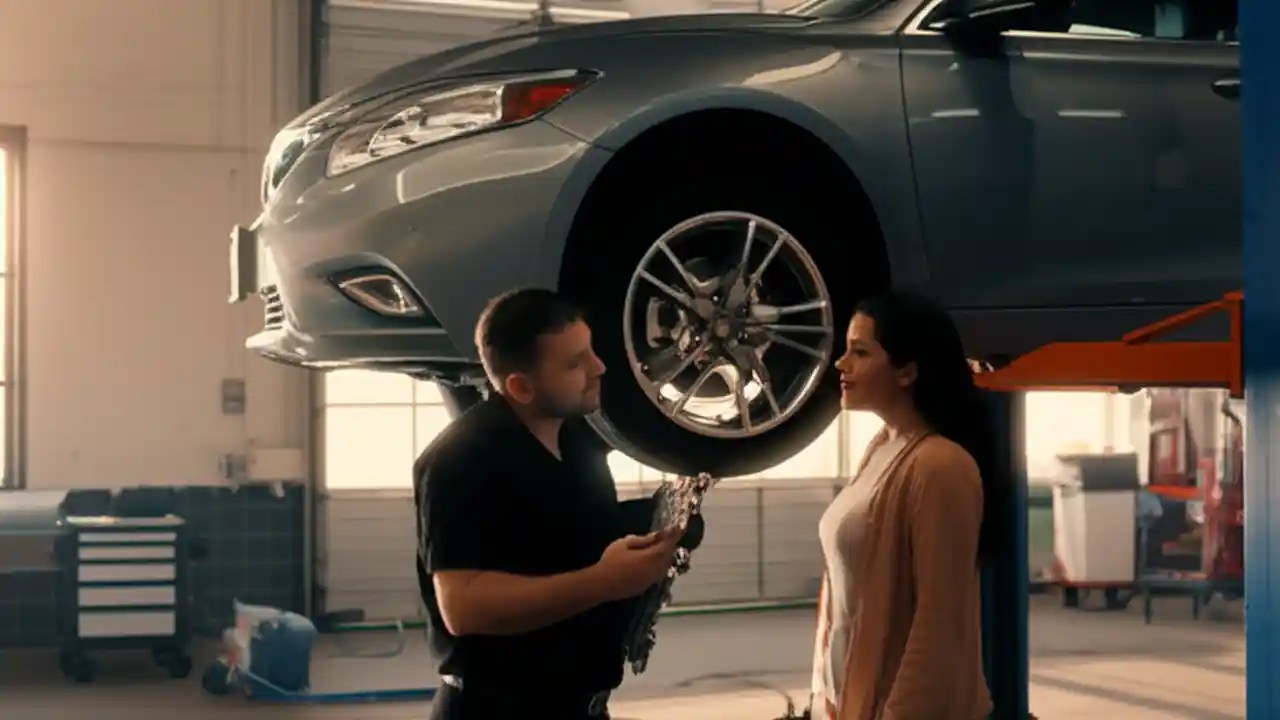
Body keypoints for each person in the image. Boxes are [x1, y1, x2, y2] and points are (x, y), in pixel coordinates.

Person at [414, 287, 704, 720]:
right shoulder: (459, 460)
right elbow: (464, 606)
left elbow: (567, 536)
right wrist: (605, 582)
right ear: (521, 386)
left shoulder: (576, 439)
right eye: (574, 363)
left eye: (590, 351)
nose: (598, 368)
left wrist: (659, 520)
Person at [809, 291, 1006, 720]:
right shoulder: (882, 448)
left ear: (907, 371)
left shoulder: (941, 467)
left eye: (860, 352)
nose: (841, 364)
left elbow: (939, 625)